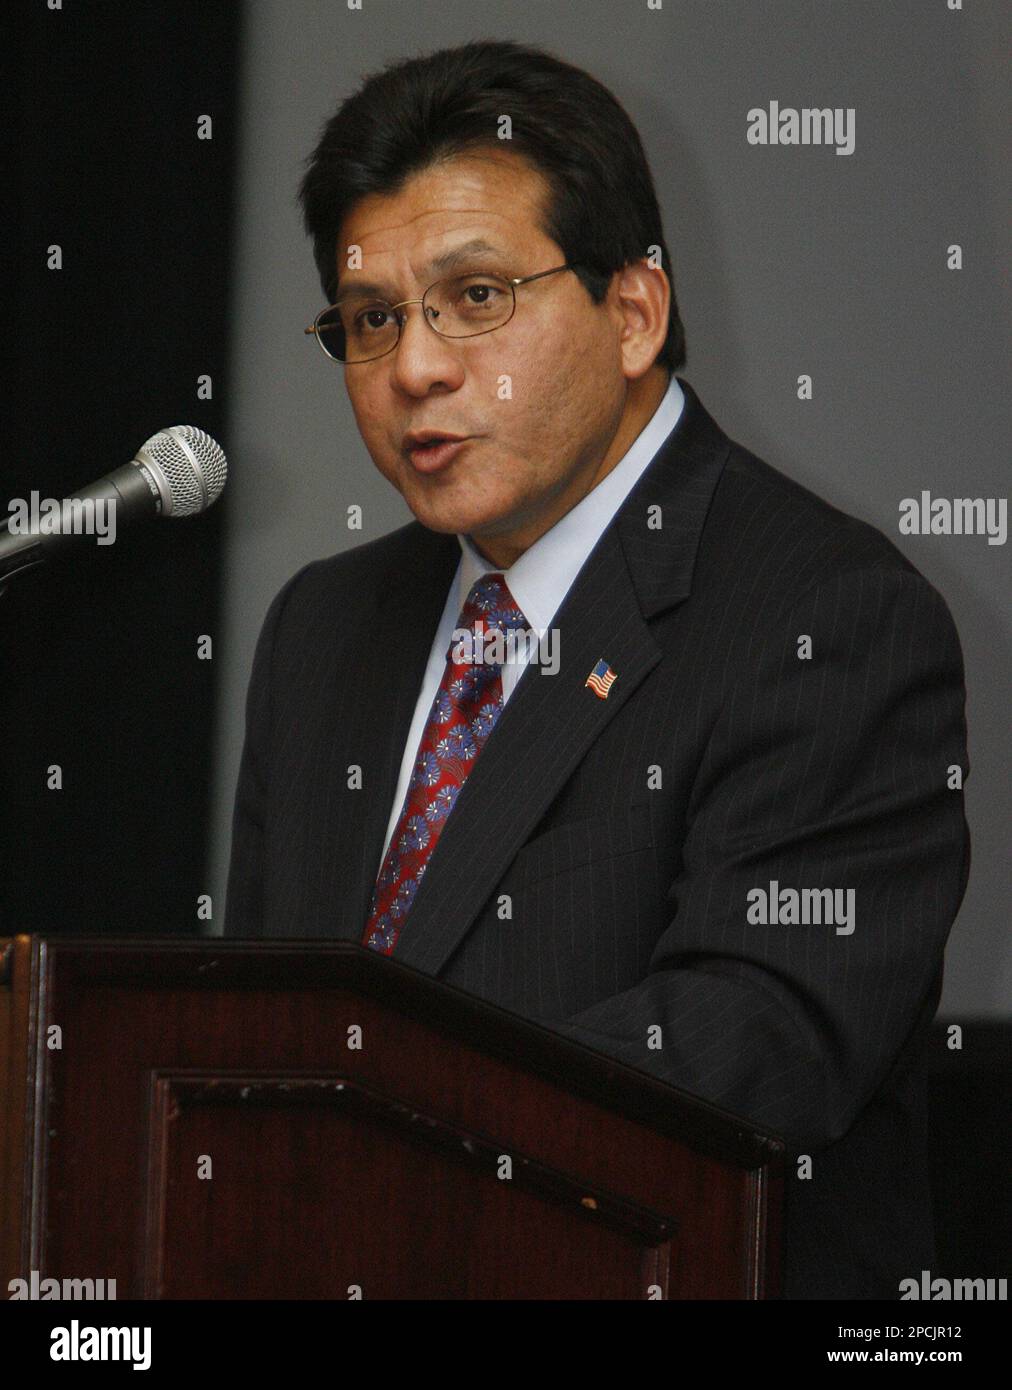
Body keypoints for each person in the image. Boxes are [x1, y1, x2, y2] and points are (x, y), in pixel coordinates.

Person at [224, 39, 970, 1300]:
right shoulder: (324, 627)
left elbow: (761, 1041)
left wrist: (373, 1131)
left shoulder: (827, 614)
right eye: (371, 319)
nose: (415, 367)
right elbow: (257, 1025)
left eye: (475, 298)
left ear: (634, 312)